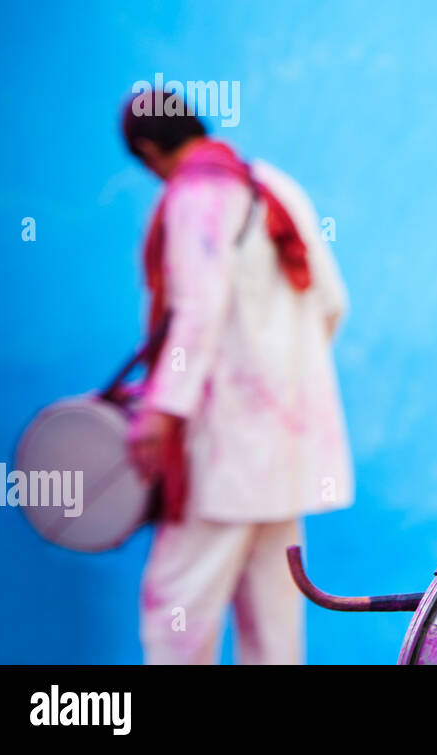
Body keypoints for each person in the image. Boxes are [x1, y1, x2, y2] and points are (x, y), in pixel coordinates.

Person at [121, 90, 354, 664]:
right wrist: (281, 375)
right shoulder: (275, 185)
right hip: (284, 456)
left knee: (176, 622)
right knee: (274, 638)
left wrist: (161, 411)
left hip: (220, 459)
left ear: (149, 150)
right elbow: (331, 302)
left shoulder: (195, 194)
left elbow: (196, 312)